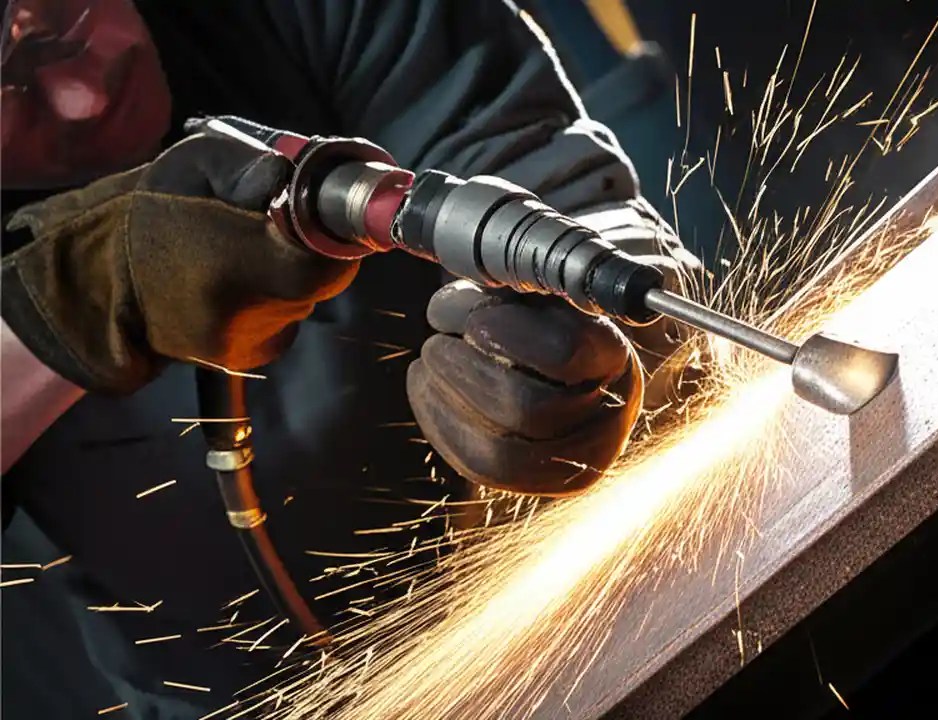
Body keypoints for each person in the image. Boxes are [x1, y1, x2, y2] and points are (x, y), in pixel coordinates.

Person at [0, 0, 697, 716]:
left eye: (65, 22)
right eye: (8, 90)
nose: (81, 97)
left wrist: (598, 341)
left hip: (601, 594)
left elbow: (560, 187)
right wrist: (58, 309)